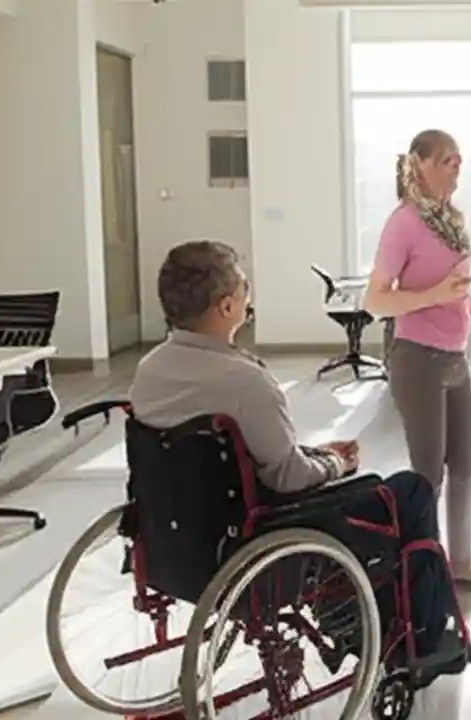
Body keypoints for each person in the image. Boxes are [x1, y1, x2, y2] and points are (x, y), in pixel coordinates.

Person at [129, 240, 453, 654]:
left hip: (173, 544)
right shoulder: (245, 380)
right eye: (244, 287)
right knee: (411, 492)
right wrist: (335, 463)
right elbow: (288, 477)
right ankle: (420, 637)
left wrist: (314, 455)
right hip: (253, 544)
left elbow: (228, 460)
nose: (249, 297)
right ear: (227, 307)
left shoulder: (148, 372)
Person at [364, 129, 471, 593]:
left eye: (458, 159)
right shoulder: (402, 223)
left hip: (453, 356)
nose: (455, 166)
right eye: (445, 159)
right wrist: (433, 295)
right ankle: (421, 572)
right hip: (415, 358)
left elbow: (459, 297)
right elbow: (376, 301)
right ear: (418, 163)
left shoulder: (452, 222)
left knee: (465, 465)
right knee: (428, 473)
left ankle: (460, 563)